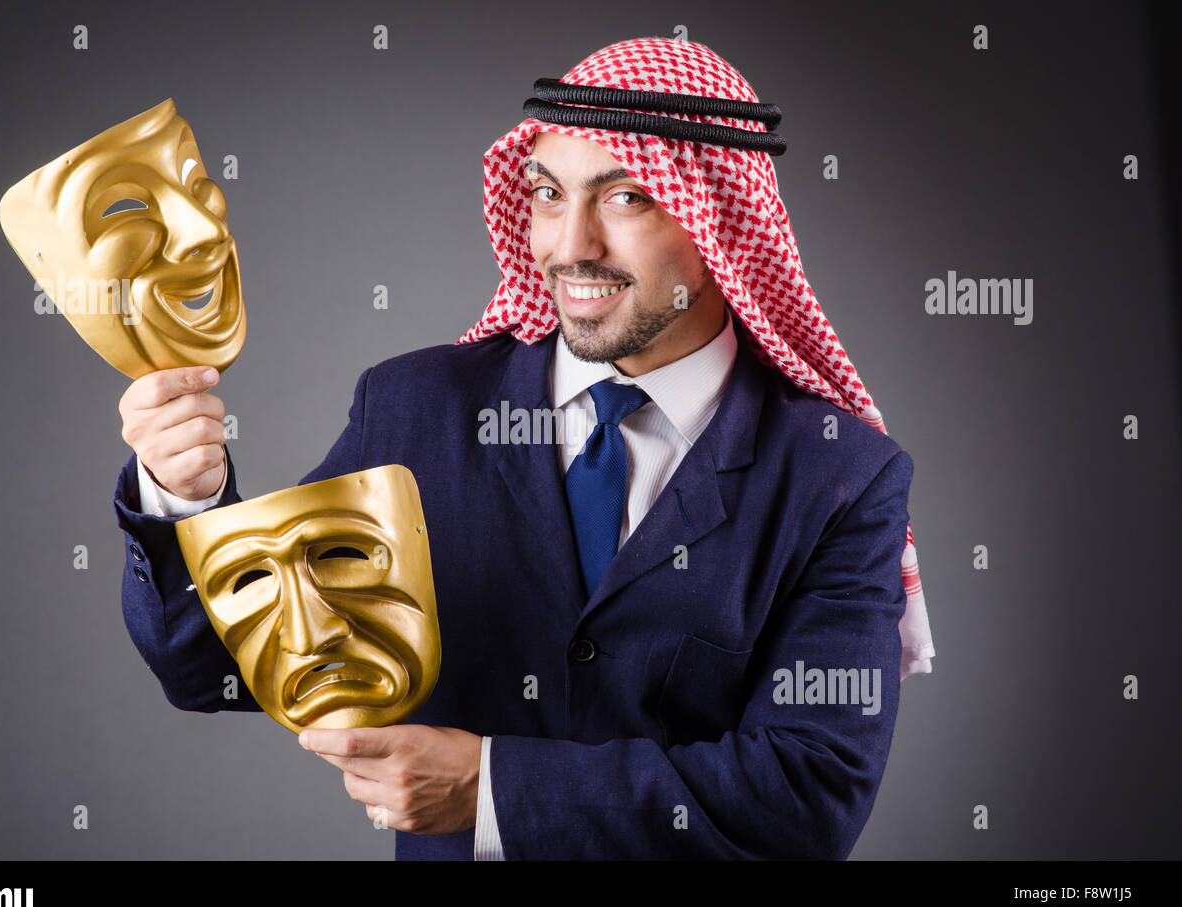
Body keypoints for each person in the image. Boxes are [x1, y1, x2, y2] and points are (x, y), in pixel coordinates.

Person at [113, 37, 934, 860]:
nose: (572, 245)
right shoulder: (415, 410)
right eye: (548, 192)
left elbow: (808, 792)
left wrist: (490, 789)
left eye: (627, 198)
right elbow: (217, 667)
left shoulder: (839, 477)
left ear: (718, 217)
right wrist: (182, 493)